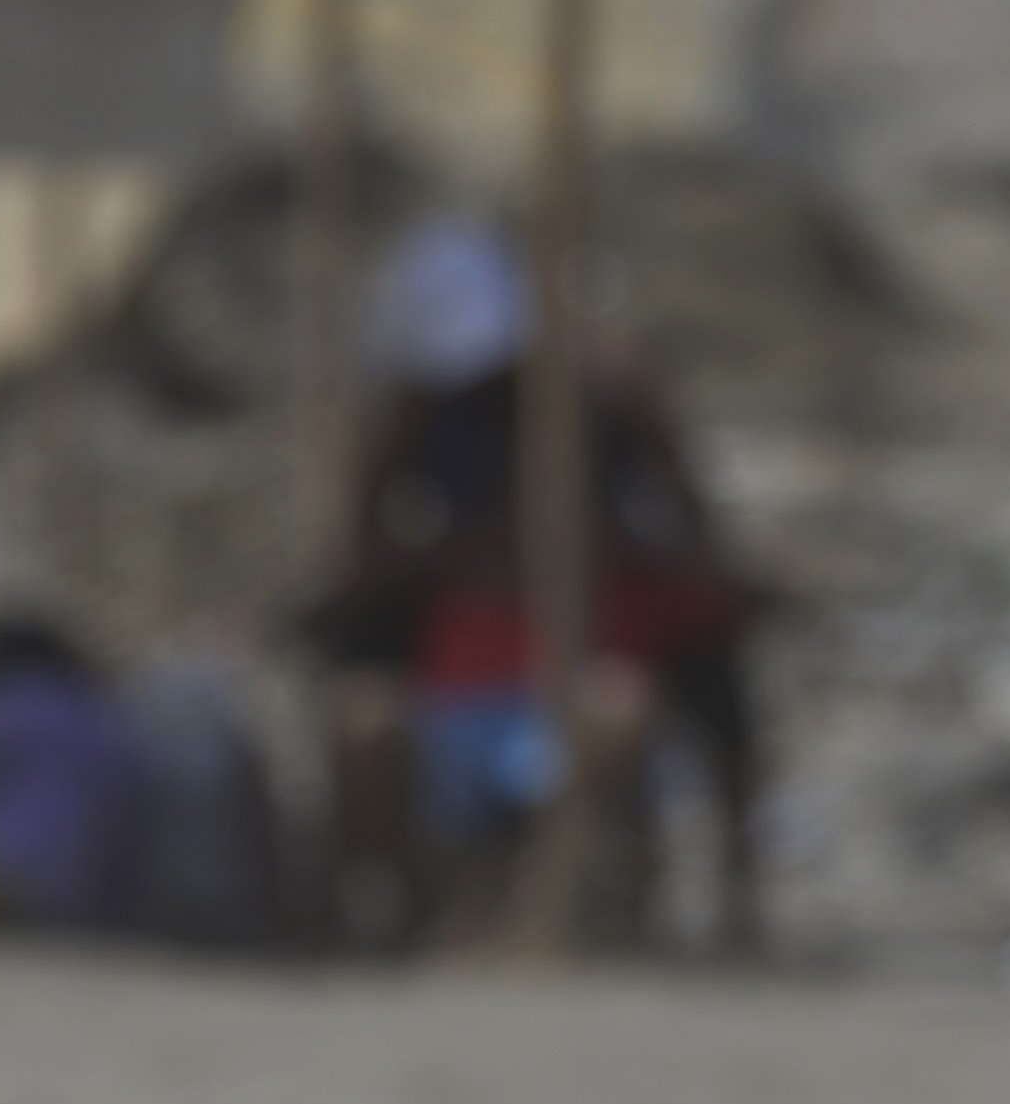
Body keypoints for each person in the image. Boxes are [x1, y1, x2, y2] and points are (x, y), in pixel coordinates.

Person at [314, 216, 769, 953]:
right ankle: (405, 918)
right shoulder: (431, 444)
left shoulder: (607, 429)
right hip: (457, 713)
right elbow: (357, 574)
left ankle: (606, 906)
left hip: (561, 706)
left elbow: (707, 593)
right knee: (363, 721)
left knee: (623, 705)